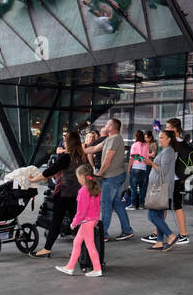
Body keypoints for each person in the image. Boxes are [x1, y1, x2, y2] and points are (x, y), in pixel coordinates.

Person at [31, 129, 90, 258]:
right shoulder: (83, 157)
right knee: (78, 223)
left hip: (63, 194)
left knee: (56, 222)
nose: (64, 142)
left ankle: (47, 249)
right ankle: (83, 251)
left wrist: (33, 179)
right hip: (79, 195)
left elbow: (49, 171)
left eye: (65, 140)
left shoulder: (66, 157)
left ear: (69, 142)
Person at [86, 117, 133, 240]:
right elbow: (94, 149)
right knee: (117, 203)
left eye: (107, 124)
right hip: (116, 175)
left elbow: (107, 160)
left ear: (111, 127)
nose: (105, 125)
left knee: (106, 204)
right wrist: (77, 150)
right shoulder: (110, 139)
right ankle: (127, 230)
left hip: (112, 177)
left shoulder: (114, 139)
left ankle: (103, 234)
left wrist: (99, 173)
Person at [55, 165, 104, 277]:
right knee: (77, 242)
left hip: (86, 221)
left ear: (82, 177)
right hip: (93, 219)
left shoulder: (83, 191)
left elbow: (81, 211)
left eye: (78, 177)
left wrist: (73, 223)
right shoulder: (95, 187)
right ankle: (70, 267)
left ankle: (97, 269)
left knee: (90, 245)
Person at [142, 128, 178, 250]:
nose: (159, 139)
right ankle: (159, 242)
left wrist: (151, 163)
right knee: (158, 215)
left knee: (152, 216)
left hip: (161, 188)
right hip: (161, 187)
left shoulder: (168, 152)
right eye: (159, 137)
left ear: (169, 139)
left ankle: (171, 235)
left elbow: (163, 171)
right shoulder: (166, 151)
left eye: (162, 137)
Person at [128, 129, 150, 209]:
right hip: (144, 168)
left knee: (133, 187)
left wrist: (129, 168)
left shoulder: (134, 145)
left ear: (136, 136)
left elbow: (132, 157)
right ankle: (141, 204)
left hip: (135, 167)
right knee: (142, 187)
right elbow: (147, 157)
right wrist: (142, 159)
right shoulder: (147, 145)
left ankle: (133, 204)